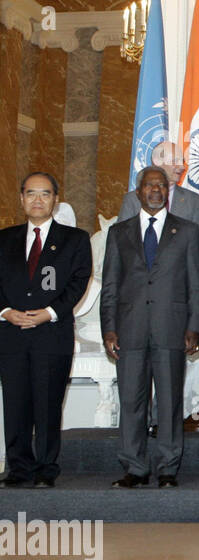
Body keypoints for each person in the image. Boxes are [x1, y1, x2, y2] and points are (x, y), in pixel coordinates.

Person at [100, 167, 199, 488]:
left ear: (168, 192)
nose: (156, 190)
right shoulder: (119, 233)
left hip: (172, 328)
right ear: (138, 192)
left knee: (170, 401)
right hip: (129, 330)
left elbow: (195, 285)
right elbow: (110, 286)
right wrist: (109, 328)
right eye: (149, 185)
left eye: (161, 185)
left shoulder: (186, 231)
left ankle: (168, 468)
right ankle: (134, 467)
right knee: (131, 401)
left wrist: (195, 327)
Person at [0, 172, 92, 488]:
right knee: (15, 405)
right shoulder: (4, 239)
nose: (37, 200)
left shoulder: (75, 239)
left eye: (45, 194)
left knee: (48, 404)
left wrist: (50, 313)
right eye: (31, 193)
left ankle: (45, 469)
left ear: (55, 198)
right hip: (11, 336)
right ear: (21, 198)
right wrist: (6, 311)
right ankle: (18, 469)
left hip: (52, 335)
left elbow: (79, 281)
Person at [117, 140, 199, 236]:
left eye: (182, 162)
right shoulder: (132, 199)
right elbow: (121, 238)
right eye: (175, 161)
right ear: (157, 162)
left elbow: (196, 243)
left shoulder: (193, 201)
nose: (182, 167)